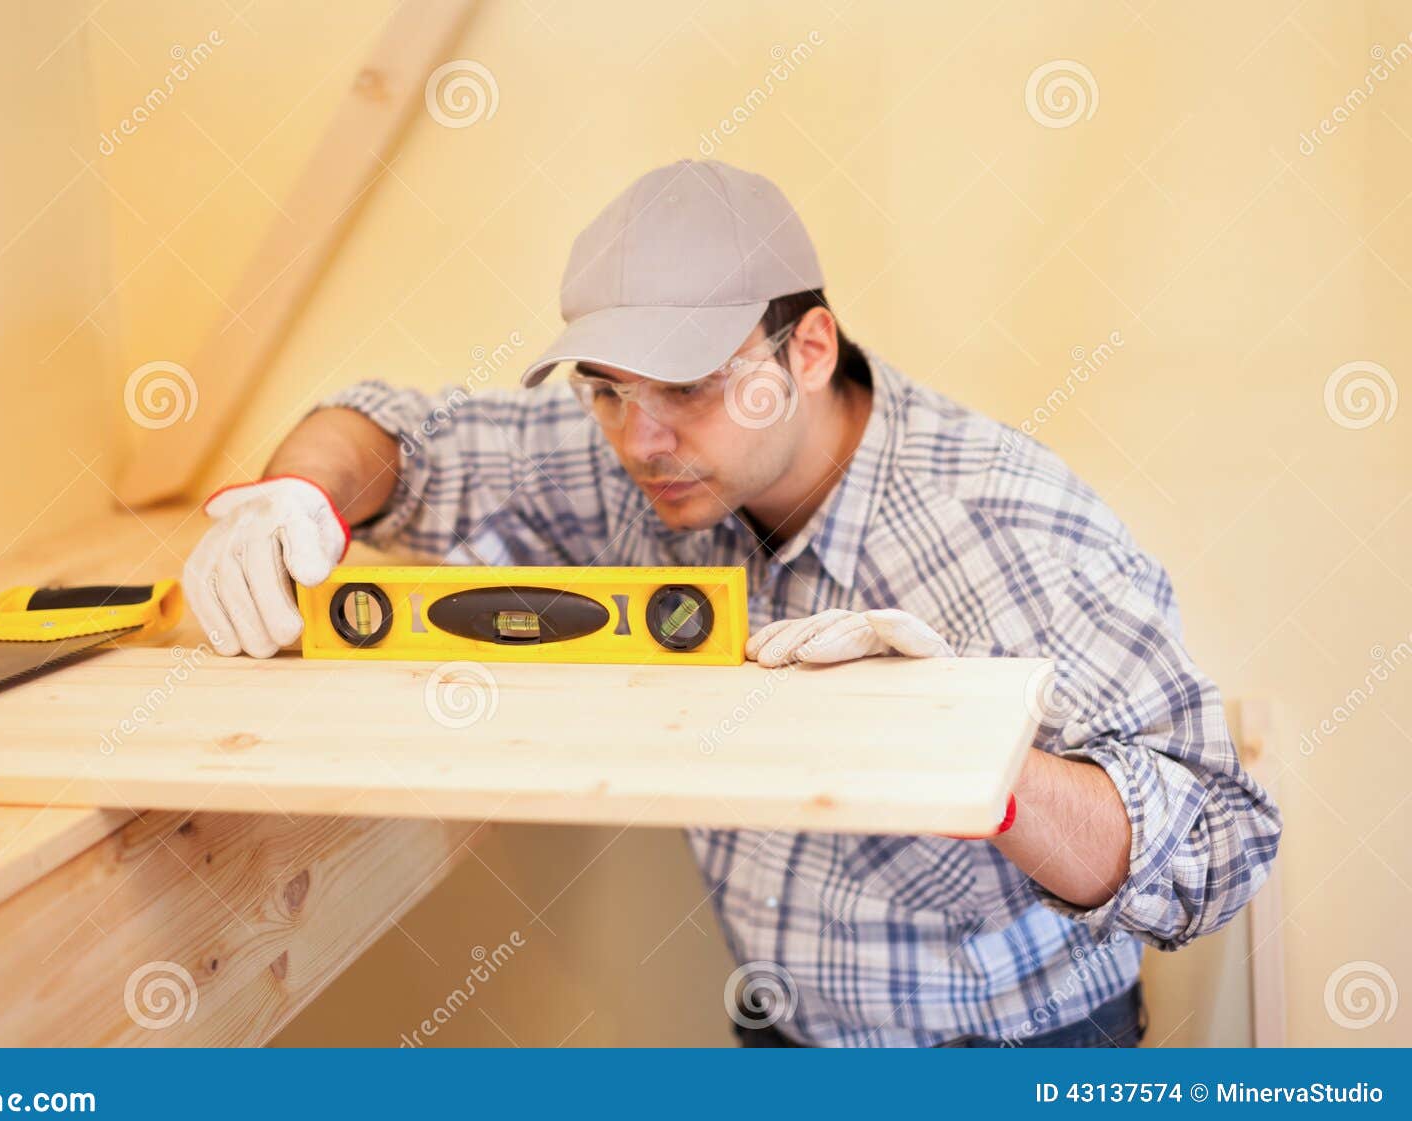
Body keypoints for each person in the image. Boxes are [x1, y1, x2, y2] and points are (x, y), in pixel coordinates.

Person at [183, 158, 1281, 1048]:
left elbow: (1220, 846)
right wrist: (296, 490)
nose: (637, 438)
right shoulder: (641, 463)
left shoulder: (1004, 529)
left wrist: (965, 750)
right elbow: (397, 432)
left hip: (1009, 1059)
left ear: (805, 348)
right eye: (606, 391)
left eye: (687, 387)